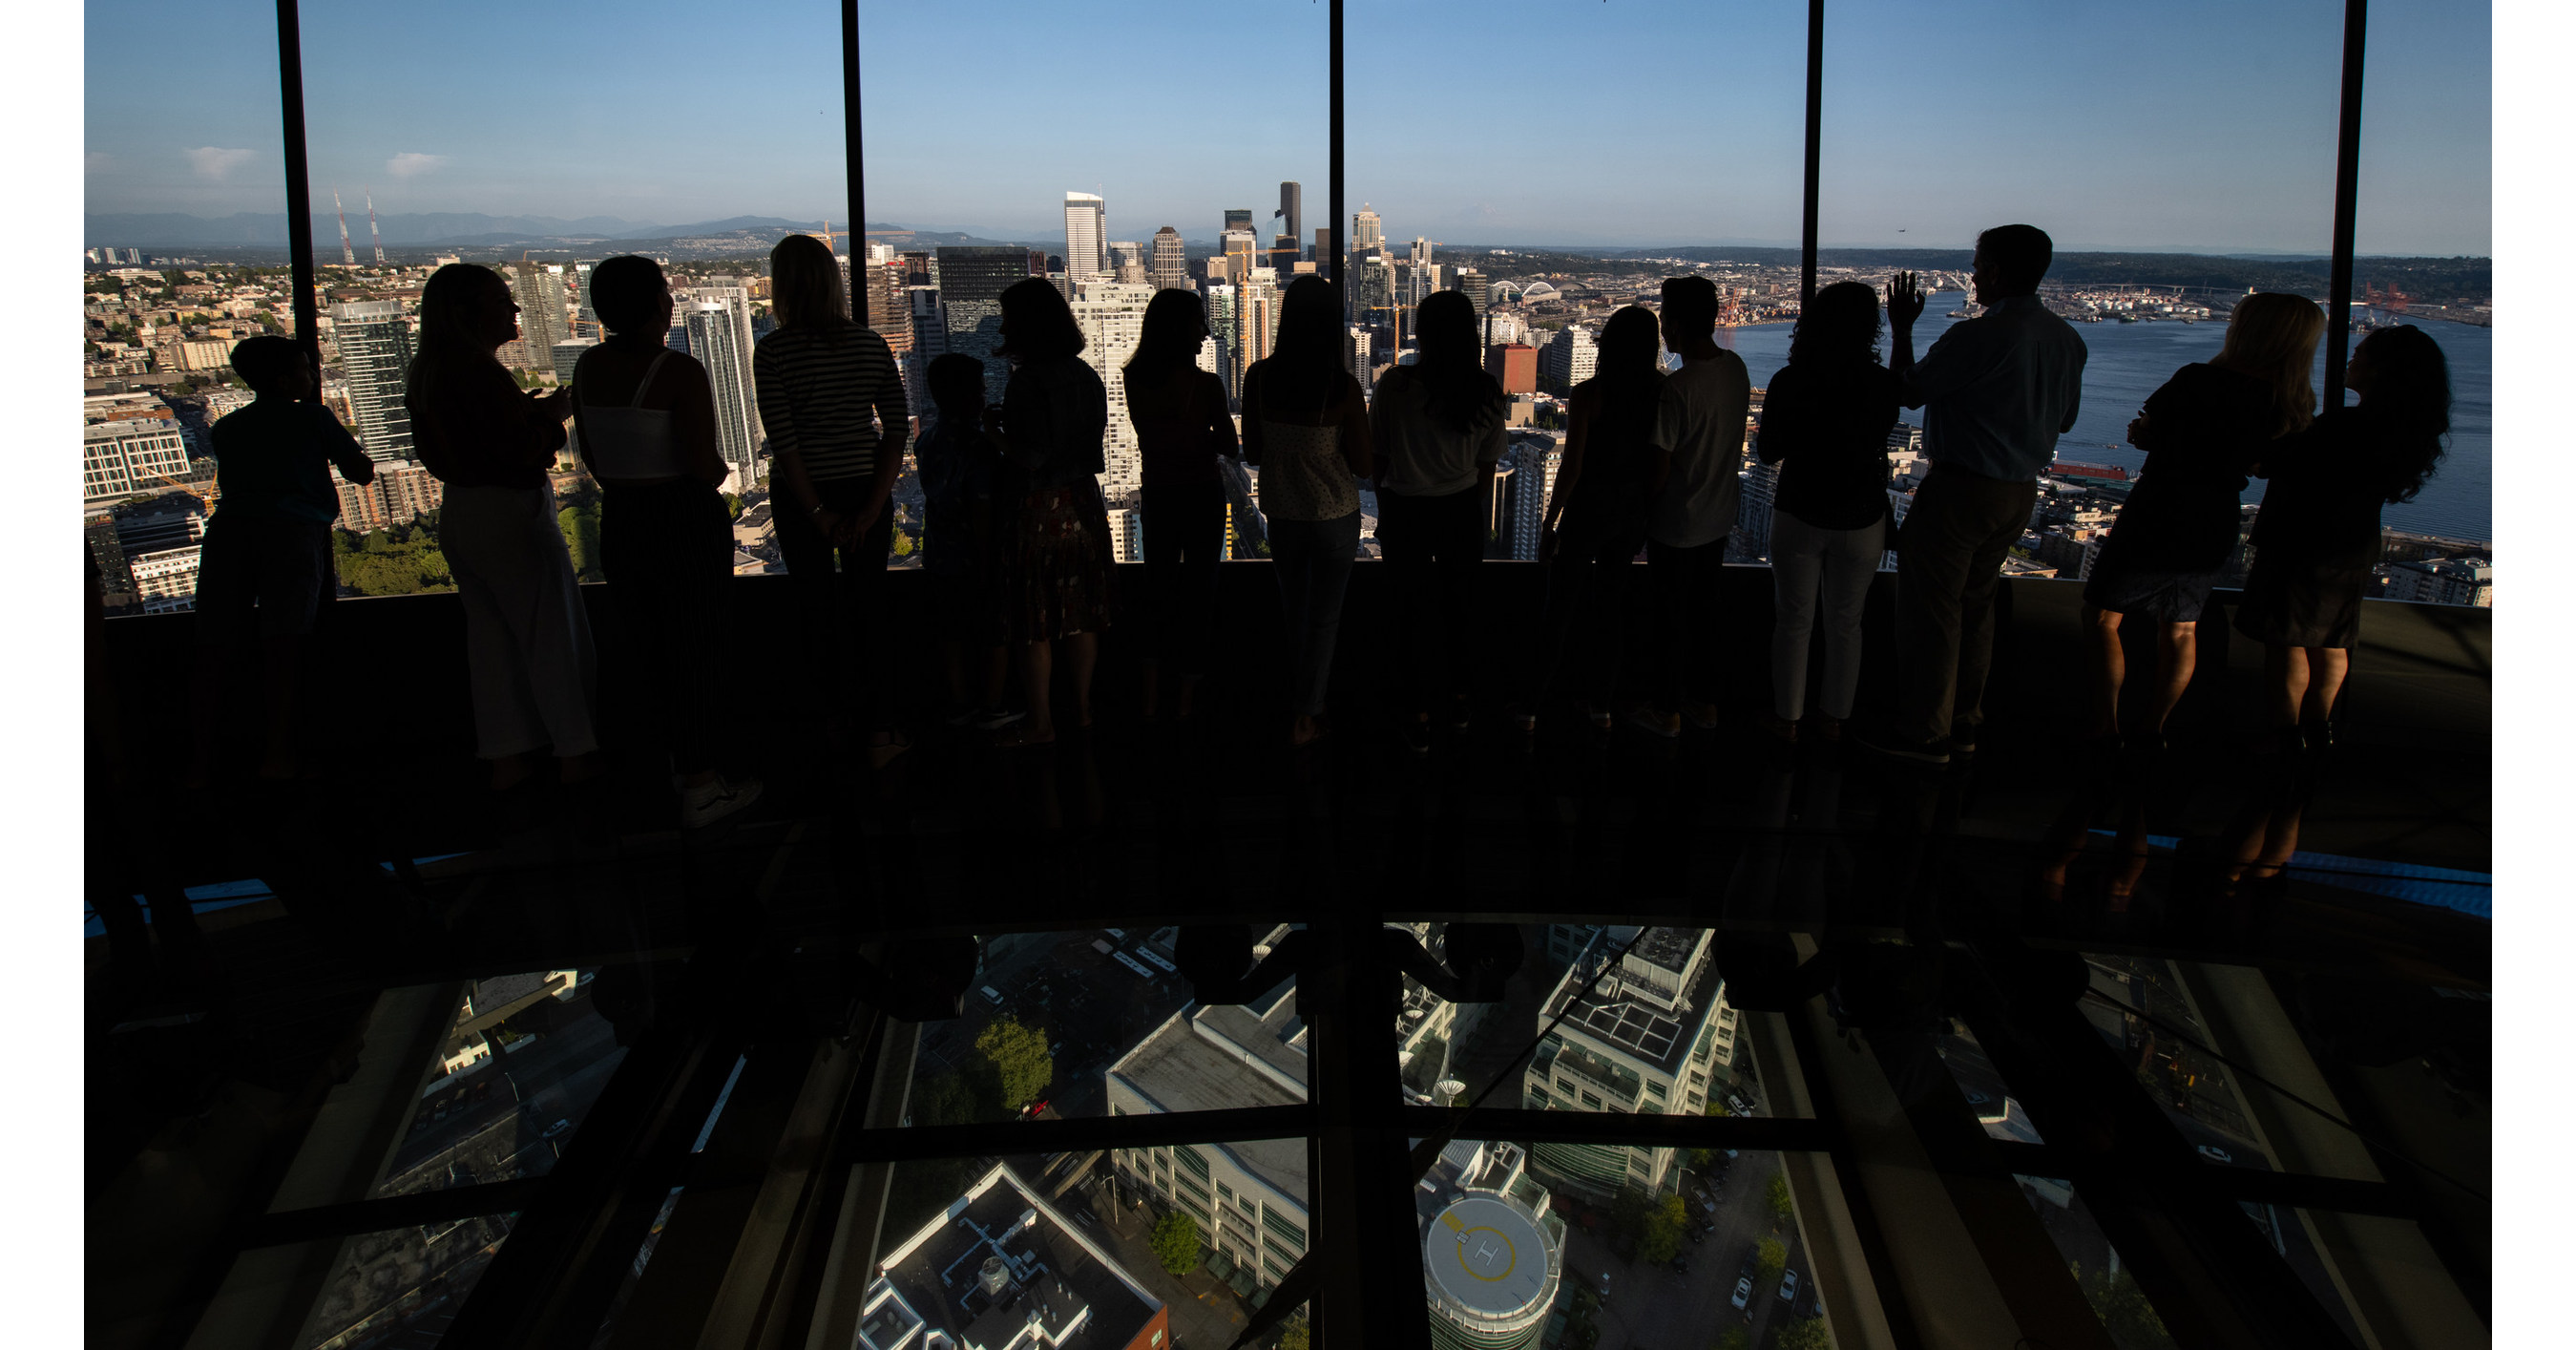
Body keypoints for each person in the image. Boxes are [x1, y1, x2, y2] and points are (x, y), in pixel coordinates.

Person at [1863, 226, 2087, 766]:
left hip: (1960, 491)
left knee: (1931, 613)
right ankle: (1965, 719)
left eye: (1978, 265)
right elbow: (2068, 419)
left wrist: (1900, 331)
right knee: (1976, 609)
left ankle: (1923, 731)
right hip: (2018, 493)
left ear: (1997, 272)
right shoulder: (2067, 339)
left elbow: (1908, 392)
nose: (1972, 274)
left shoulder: (1978, 336)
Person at [2082, 292, 2323, 750]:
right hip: (2215, 515)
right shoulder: (2288, 402)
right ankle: (2154, 728)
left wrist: (2147, 437)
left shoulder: (2197, 379)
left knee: (2102, 617)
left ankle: (2104, 725)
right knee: (2181, 628)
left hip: (2160, 502)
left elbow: (2151, 431)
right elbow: (2264, 465)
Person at [571, 255, 762, 829]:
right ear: (656, 302)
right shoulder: (676, 370)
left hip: (622, 517)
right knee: (696, 647)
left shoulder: (585, 368)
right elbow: (703, 463)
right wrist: (717, 470)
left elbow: (596, 460)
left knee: (645, 648)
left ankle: (666, 775)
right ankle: (701, 785)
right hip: (681, 517)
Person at [405, 264, 598, 799]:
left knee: (490, 642)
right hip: (509, 513)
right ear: (467, 313)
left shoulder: (428, 370)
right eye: (501, 301)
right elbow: (516, 450)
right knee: (549, 633)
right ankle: (576, 755)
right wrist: (554, 418)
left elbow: (466, 444)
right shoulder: (477, 371)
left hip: (463, 512)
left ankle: (507, 757)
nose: (514, 309)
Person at [2233, 324, 2452, 750]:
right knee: (2330, 640)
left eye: (2361, 355)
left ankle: (2285, 732)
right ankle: (2319, 728)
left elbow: (2278, 461)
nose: (2351, 361)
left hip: (2302, 540)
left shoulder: (2344, 425)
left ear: (2382, 370)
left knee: (2288, 641)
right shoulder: (2402, 431)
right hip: (2352, 546)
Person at [184, 334, 375, 784]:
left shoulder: (226, 427)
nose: (313, 376)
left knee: (213, 647)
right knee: (284, 644)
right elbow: (361, 472)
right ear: (286, 377)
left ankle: (199, 756)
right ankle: (278, 754)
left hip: (229, 535)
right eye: (307, 368)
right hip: (290, 536)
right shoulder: (312, 417)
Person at [755, 232, 911, 769]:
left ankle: (831, 729)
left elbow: (785, 441)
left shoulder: (772, 350)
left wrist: (817, 512)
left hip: (804, 496)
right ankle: (882, 731)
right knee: (872, 609)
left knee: (815, 612)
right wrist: (871, 506)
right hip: (864, 484)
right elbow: (896, 429)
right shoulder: (869, 344)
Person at [1755, 282, 1904, 745]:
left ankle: (1786, 720)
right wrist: (1903, 334)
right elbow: (1893, 412)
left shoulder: (1790, 380)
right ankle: (1834, 720)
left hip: (1801, 510)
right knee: (1847, 623)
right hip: (1862, 517)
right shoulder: (1880, 384)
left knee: (1793, 620)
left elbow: (1766, 452)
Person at [1514, 305, 1665, 733]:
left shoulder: (1590, 394)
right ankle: (1602, 708)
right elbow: (1661, 462)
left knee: (1558, 611)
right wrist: (1646, 513)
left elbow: (1573, 464)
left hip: (1587, 512)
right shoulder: (1662, 392)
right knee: (1611, 611)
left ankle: (1530, 707)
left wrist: (1550, 523)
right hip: (1630, 514)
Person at [982, 277, 1116, 747]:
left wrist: (993, 433)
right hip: (1083, 503)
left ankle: (1040, 722)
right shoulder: (1086, 375)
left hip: (1039, 510)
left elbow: (1032, 455)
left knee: (1033, 619)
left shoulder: (1028, 381)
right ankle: (1080, 710)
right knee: (1081, 614)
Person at [1372, 288, 1507, 750]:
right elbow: (1487, 466)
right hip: (1461, 510)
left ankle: (1417, 712)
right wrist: (1478, 520)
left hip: (1406, 511)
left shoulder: (1396, 385)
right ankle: (1462, 702)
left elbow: (1379, 455)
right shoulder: (1486, 390)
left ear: (1423, 333)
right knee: (1460, 610)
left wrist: (1388, 508)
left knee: (1409, 613)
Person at [1242, 275, 1372, 749]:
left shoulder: (1259, 378)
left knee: (1294, 609)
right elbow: (1362, 464)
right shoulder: (1341, 386)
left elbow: (1253, 454)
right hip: (1335, 515)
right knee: (1325, 617)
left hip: (1283, 515)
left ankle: (1302, 699)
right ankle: (1308, 712)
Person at [1635, 275, 1752, 738]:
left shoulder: (1676, 389)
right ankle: (1705, 705)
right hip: (1719, 518)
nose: (1662, 324)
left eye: (1665, 314)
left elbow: (1659, 468)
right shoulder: (1737, 369)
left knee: (1668, 621)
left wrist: (1641, 515)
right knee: (1704, 618)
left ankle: (1665, 711)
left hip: (1676, 524)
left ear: (1678, 324)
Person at [1122, 288, 1240, 723]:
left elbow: (1152, 435)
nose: (1205, 332)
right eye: (1198, 322)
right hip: (1200, 495)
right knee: (1199, 595)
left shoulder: (1133, 377)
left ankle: (1150, 699)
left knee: (1157, 591)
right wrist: (1201, 437)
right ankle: (1187, 701)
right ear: (1179, 328)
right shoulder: (1206, 385)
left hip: (1158, 494)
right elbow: (1229, 444)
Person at [914, 352, 1016, 730]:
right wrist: (991, 560)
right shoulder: (978, 446)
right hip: (976, 553)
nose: (985, 393)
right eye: (979, 387)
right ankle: (992, 705)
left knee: (952, 632)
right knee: (994, 630)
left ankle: (959, 705)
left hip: (940, 553)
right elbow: (982, 509)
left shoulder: (927, 440)